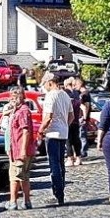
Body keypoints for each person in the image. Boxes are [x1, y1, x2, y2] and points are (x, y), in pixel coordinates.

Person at [38, 76, 73, 206]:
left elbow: (48, 117)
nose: (44, 87)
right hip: (63, 133)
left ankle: (58, 194)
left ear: (50, 82)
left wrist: (40, 130)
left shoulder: (50, 96)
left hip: (52, 133)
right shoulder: (65, 95)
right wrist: (65, 125)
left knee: (54, 165)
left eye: (44, 84)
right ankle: (60, 192)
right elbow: (72, 115)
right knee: (60, 164)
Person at [4, 93, 37, 211]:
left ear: (22, 98)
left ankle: (13, 202)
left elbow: (25, 131)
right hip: (16, 149)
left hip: (20, 150)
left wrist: (22, 150)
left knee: (15, 177)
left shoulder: (23, 111)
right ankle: (27, 201)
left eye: (15, 97)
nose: (12, 100)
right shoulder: (18, 110)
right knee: (23, 176)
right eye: (11, 98)